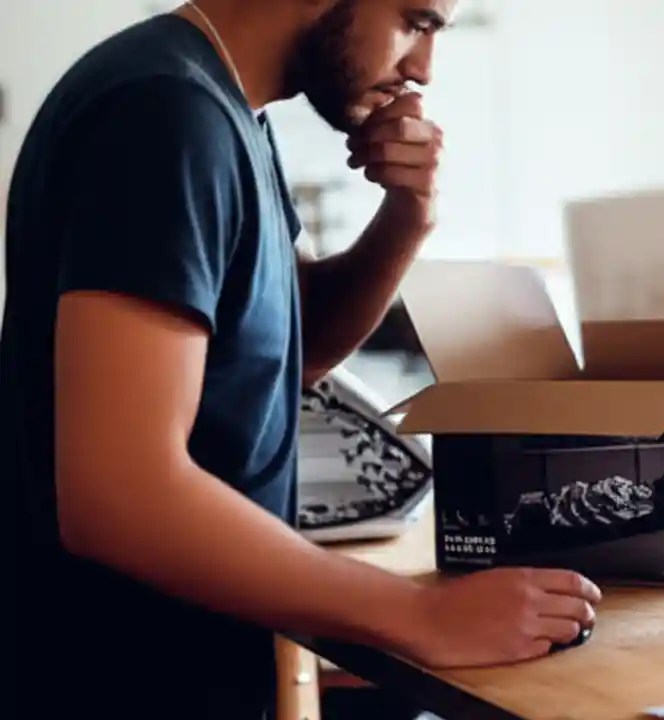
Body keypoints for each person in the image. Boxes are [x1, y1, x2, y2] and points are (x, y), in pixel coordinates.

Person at [1, 1, 601, 717]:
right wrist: (418, 614)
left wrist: (409, 218)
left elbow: (291, 349)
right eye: (417, 22)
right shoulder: (164, 115)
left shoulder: (226, 109)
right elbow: (119, 494)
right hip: (114, 687)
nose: (423, 69)